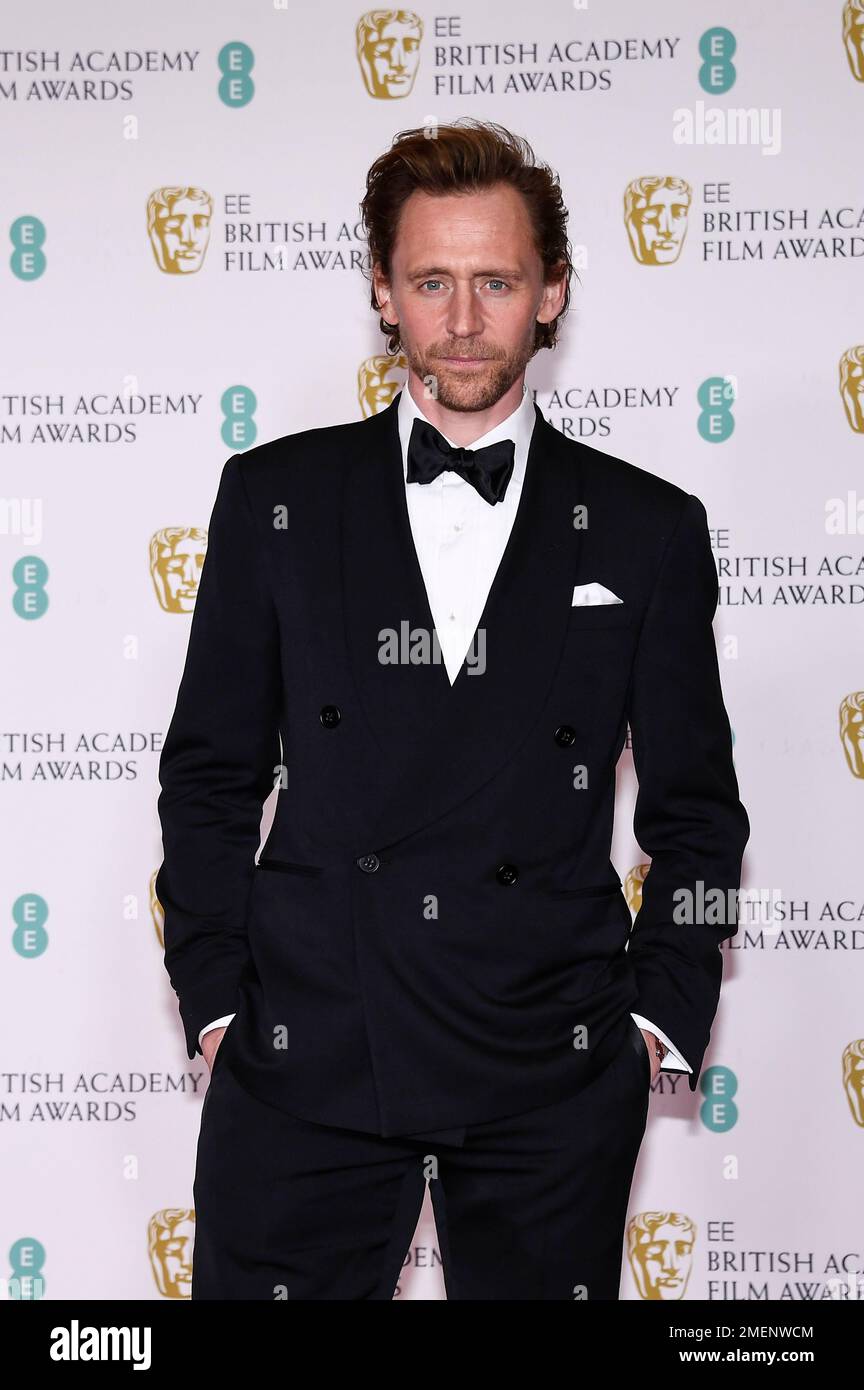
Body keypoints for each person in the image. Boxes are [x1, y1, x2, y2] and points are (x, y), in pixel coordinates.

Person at [155, 118, 750, 1300]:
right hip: (308, 1058)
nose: (463, 318)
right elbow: (210, 775)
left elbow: (700, 813)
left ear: (552, 292)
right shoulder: (273, 498)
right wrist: (218, 998)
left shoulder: (647, 527)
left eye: (496, 281)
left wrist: (655, 1029)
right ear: (383, 291)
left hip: (550, 1070)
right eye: (431, 281)